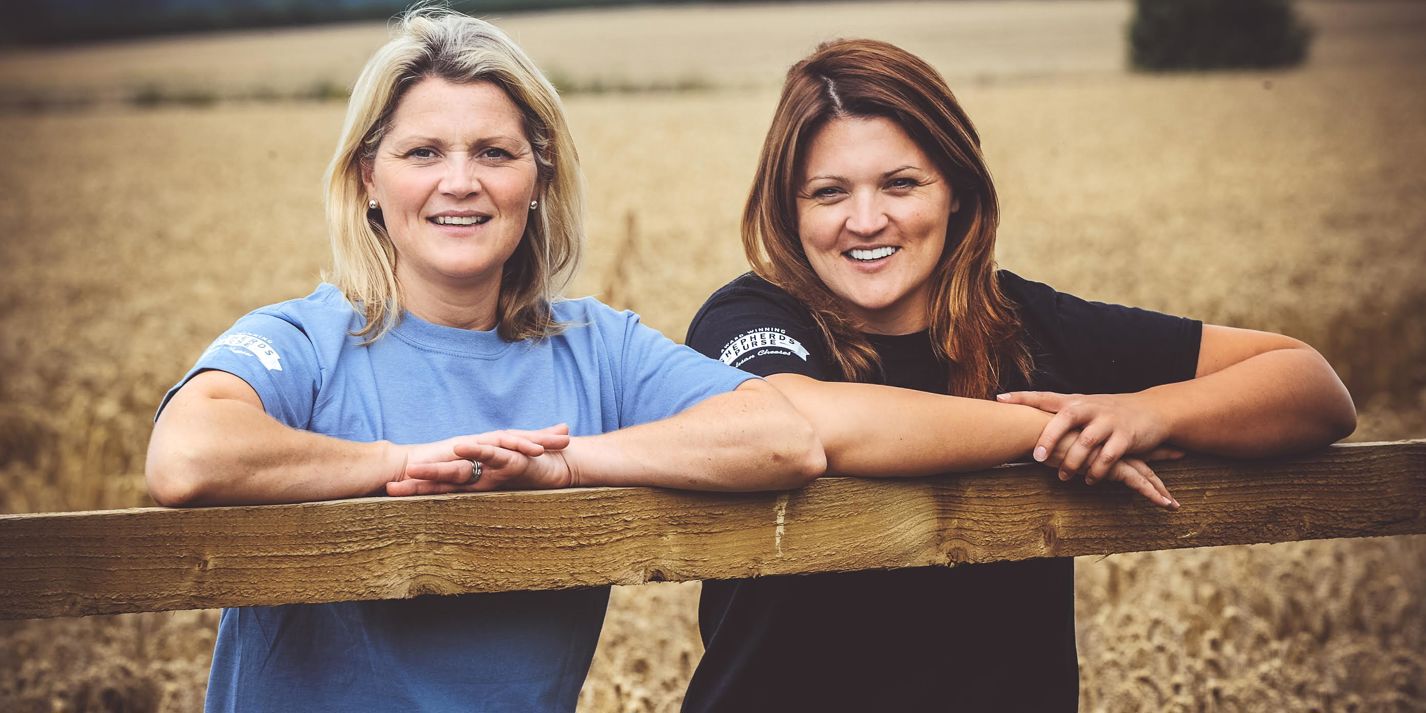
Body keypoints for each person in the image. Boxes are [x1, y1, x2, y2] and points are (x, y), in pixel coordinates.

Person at [146, 11, 1162, 711]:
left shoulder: (598, 347)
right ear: (368, 178)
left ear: (539, 177)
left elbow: (780, 432)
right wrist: (401, 466)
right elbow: (189, 455)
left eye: (495, 152)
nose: (461, 182)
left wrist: (569, 464)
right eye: (422, 153)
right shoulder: (305, 334)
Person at [680, 39, 1356, 712]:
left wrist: (1146, 414)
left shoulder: (1027, 322)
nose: (865, 220)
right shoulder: (751, 316)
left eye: (901, 183)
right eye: (829, 193)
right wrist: (1049, 428)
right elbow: (800, 421)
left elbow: (1312, 387)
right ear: (790, 211)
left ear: (958, 193)